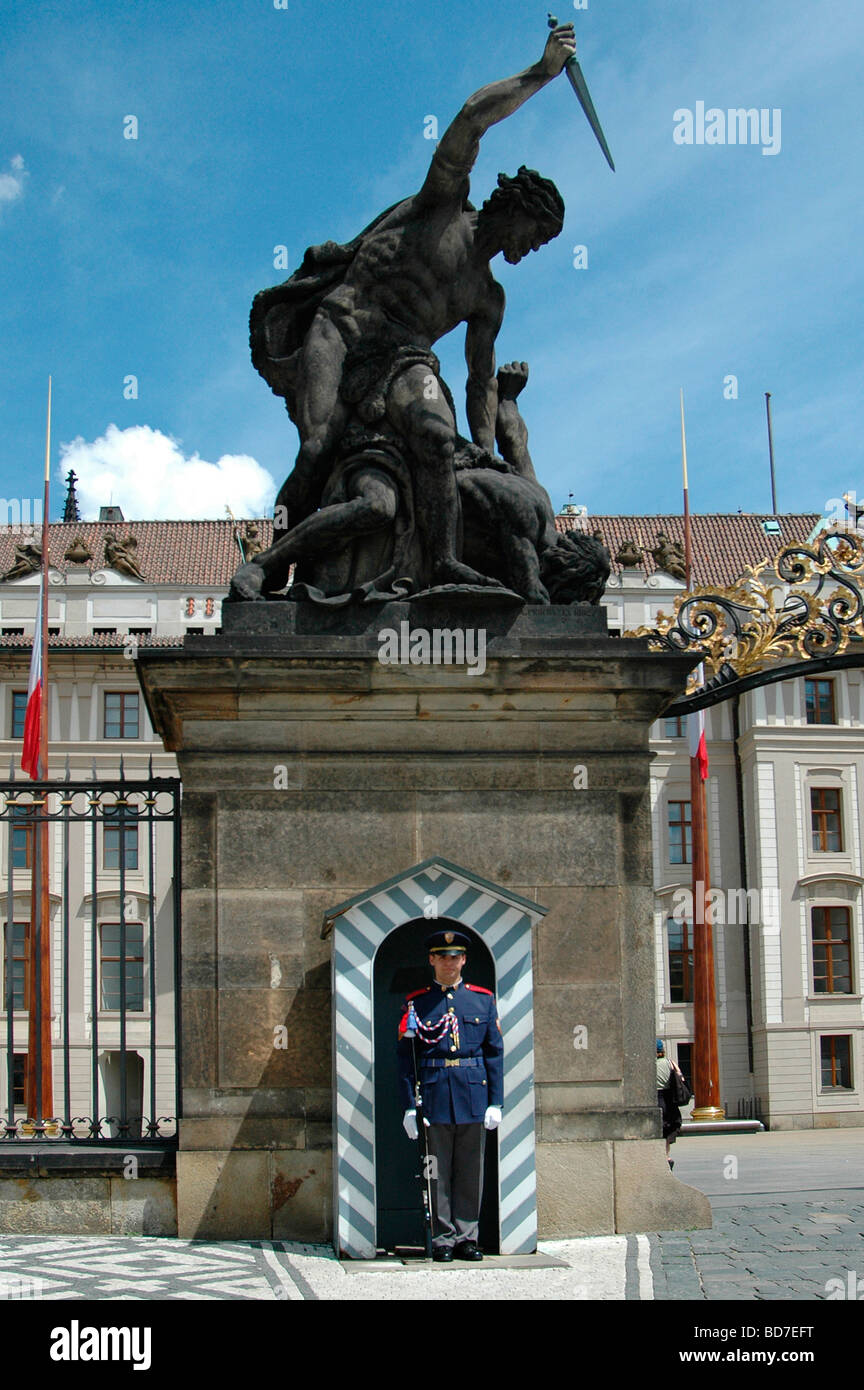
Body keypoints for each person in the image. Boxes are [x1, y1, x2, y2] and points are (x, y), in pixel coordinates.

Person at [248, 23, 577, 593]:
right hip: (344, 326)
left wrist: (481, 449)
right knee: (317, 445)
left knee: (432, 433)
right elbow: (472, 117)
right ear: (516, 206)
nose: (533, 248)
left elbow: (479, 382)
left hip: (405, 357)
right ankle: (271, 560)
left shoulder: (488, 297)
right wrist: (540, 73)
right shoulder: (443, 205)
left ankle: (445, 560)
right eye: (536, 233)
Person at [397, 930, 503, 1262]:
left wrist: (496, 1102)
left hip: (472, 1094)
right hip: (433, 1094)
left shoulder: (482, 1000)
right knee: (437, 1171)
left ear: (464, 960)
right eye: (442, 957)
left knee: (471, 1172)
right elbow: (405, 1057)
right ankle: (443, 1237)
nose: (449, 963)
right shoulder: (417, 1002)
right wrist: (408, 1108)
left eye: (455, 957)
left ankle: (467, 1237)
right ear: (432, 960)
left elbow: (494, 1053)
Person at [656, 1038, 685, 1169]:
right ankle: (667, 1157)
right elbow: (681, 1078)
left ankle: (658, 1157)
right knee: (668, 1129)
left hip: (655, 1098)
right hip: (669, 1099)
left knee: (658, 1129)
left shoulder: (649, 1064)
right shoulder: (670, 1063)